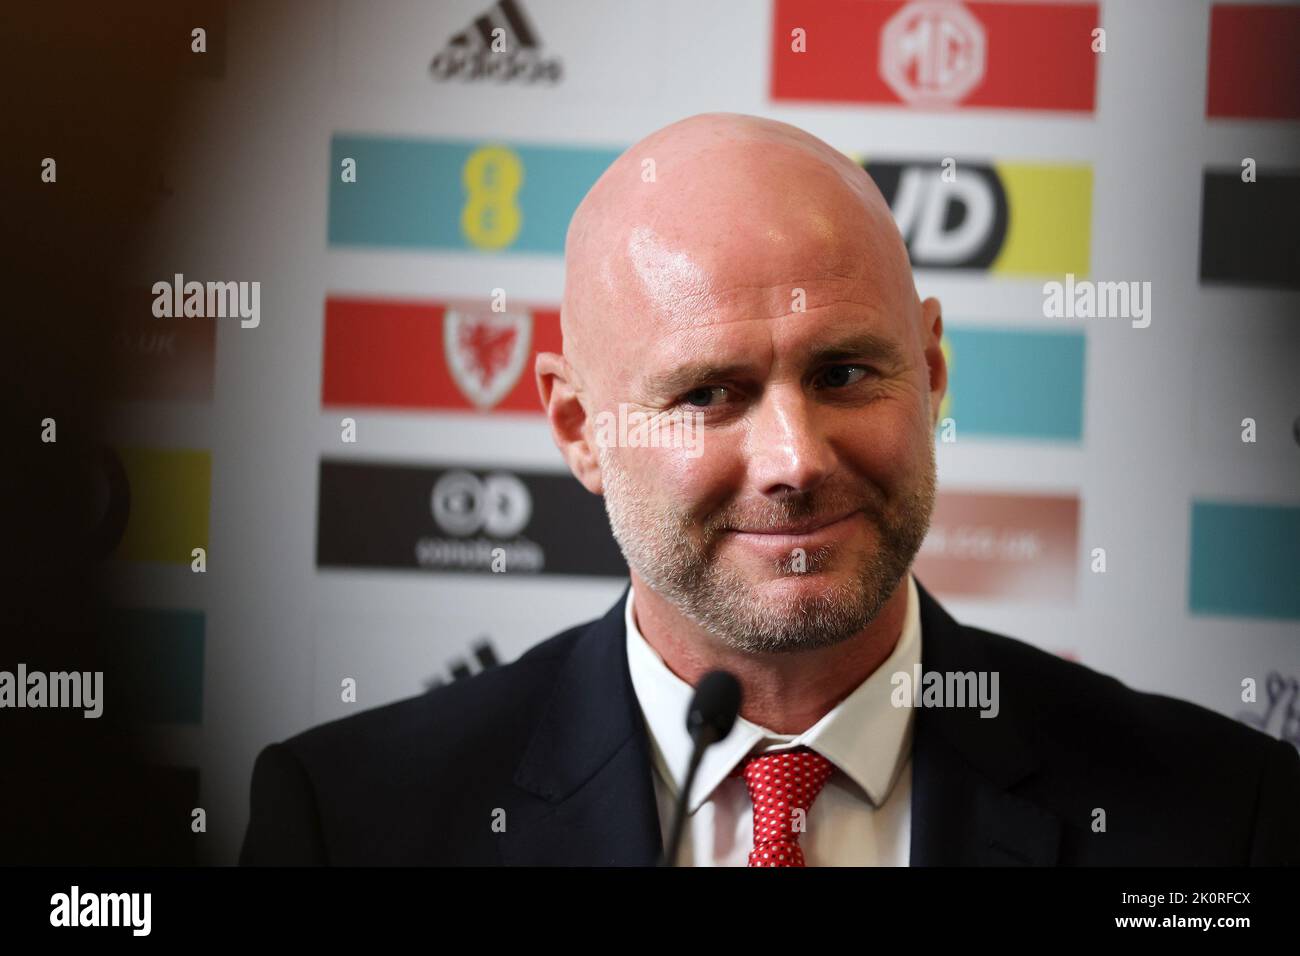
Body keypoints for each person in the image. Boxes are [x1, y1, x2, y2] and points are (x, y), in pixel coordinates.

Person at [240, 113, 1299, 866]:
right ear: (580, 428)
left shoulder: (1216, 816)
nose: (794, 460)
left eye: (843, 373)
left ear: (929, 374)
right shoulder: (353, 820)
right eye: (708, 393)